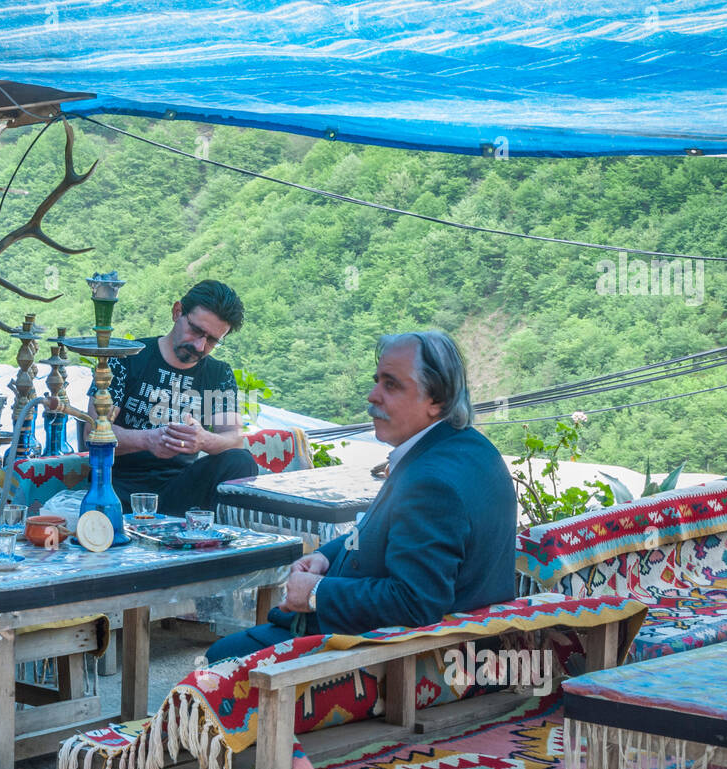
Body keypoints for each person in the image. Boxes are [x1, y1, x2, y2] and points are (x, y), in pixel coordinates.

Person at [206, 329, 516, 662]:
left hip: (394, 662)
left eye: (391, 385)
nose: (372, 395)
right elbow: (385, 532)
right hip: (453, 650)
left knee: (220, 660)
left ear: (437, 400)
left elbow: (415, 601)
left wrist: (315, 593)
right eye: (377, 381)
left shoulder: (431, 482)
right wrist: (327, 556)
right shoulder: (471, 449)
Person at [92, 279, 258, 516]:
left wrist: (203, 441)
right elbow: (94, 431)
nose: (200, 346)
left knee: (241, 460)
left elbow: (234, 438)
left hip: (179, 491)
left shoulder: (217, 374)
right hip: (119, 489)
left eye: (212, 340)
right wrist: (147, 440)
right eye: (196, 331)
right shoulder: (128, 357)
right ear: (177, 311)